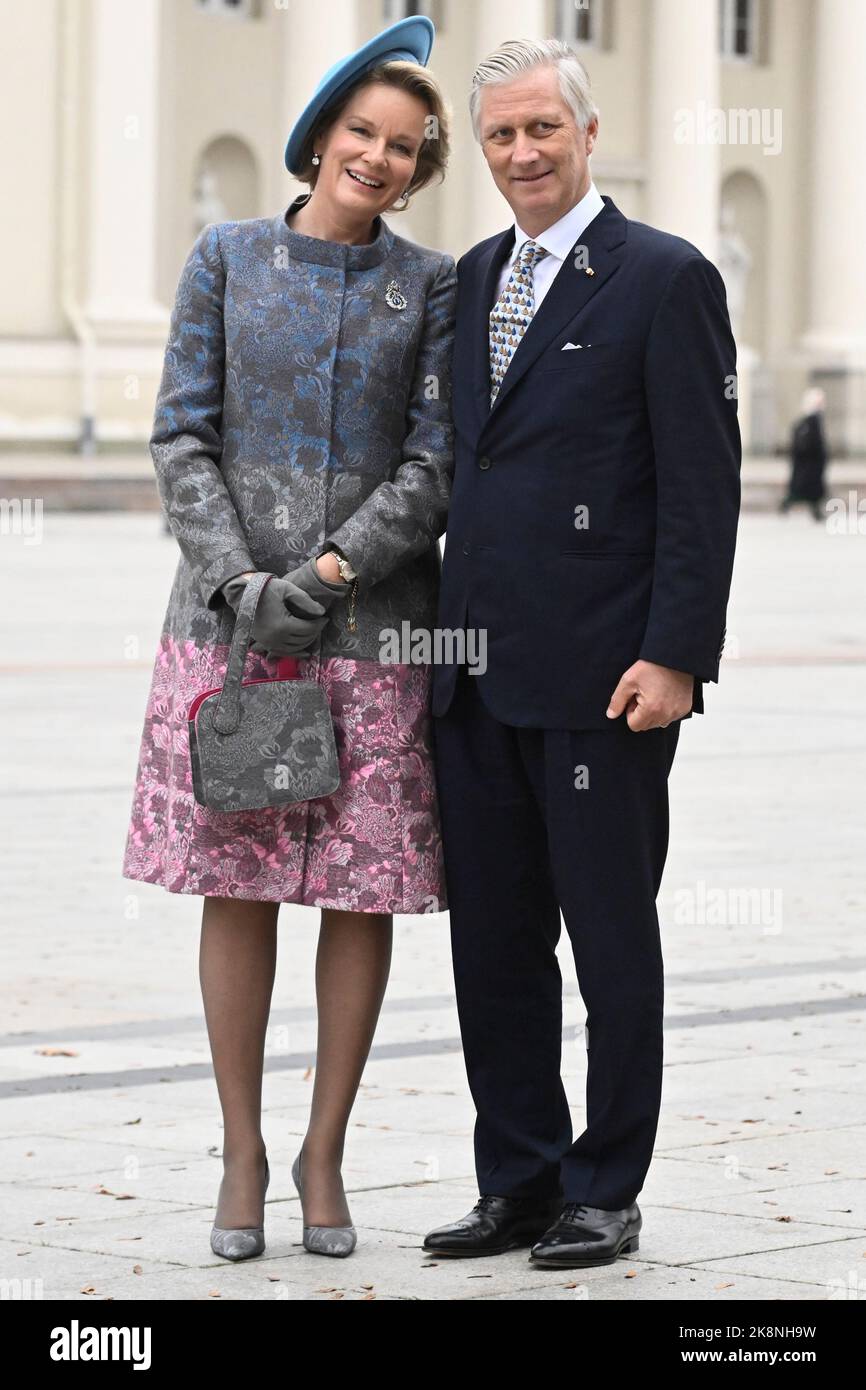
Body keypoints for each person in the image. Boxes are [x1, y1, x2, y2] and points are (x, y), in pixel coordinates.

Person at [121, 16, 457, 1262]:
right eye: (360, 133)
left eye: (403, 148)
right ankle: (242, 1147)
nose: (376, 157)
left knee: (357, 889)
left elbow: (433, 462)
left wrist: (323, 570)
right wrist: (237, 583)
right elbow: (180, 435)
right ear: (317, 138)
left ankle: (323, 1150)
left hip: (373, 633)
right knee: (241, 880)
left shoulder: (430, 290)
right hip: (230, 634)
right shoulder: (224, 258)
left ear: (419, 173)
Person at [424, 38, 741, 1269]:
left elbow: (698, 492)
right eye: (499, 136)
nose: (519, 154)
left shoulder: (662, 277)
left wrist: (676, 656)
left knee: (608, 941)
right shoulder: (471, 276)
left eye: (540, 130)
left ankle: (605, 1186)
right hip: (472, 676)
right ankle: (518, 1177)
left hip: (606, 682)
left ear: (586, 132)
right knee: (493, 945)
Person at [780, 386, 828, 520]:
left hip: (811, 466)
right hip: (807, 466)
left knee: (811, 492)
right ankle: (786, 505)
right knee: (800, 491)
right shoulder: (809, 423)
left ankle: (815, 512)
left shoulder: (813, 422)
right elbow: (806, 445)